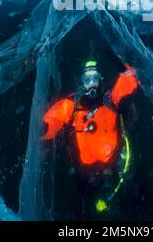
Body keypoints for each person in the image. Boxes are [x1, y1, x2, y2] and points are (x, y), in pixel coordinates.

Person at [42, 60, 139, 214]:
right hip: (85, 173)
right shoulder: (73, 104)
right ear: (82, 83)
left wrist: (124, 67)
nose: (92, 83)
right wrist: (45, 128)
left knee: (118, 207)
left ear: (100, 79)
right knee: (83, 209)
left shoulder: (110, 99)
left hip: (111, 167)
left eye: (95, 78)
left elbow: (128, 83)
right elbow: (56, 115)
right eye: (87, 79)